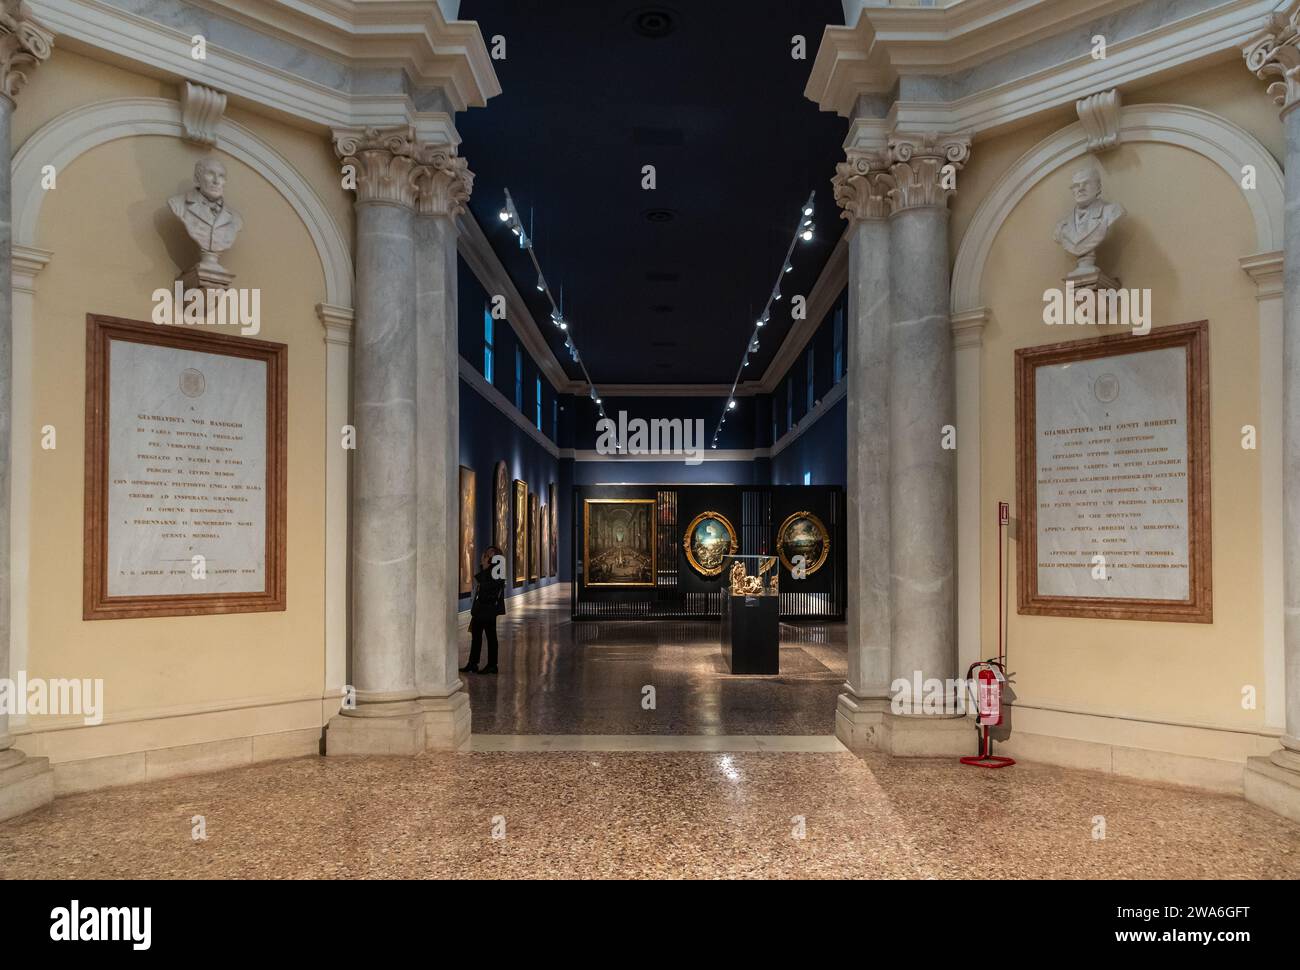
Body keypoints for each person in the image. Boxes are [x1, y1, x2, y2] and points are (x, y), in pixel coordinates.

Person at [460, 545, 506, 675]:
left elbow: (488, 588)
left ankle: (492, 665)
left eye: (487, 556)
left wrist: (485, 568)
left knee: (491, 637)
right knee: (476, 636)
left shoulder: (496, 572)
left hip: (489, 608)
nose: (484, 557)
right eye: (485, 555)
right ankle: (473, 663)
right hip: (482, 608)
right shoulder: (490, 571)